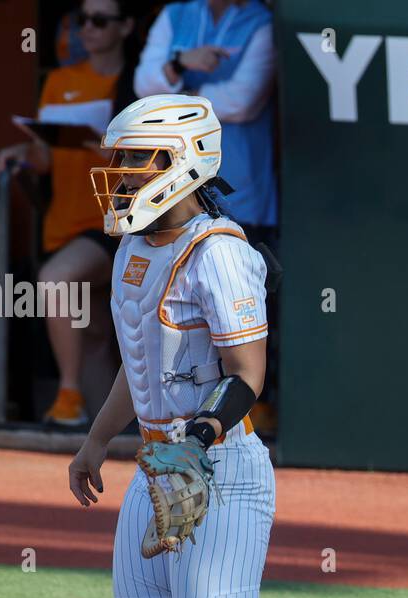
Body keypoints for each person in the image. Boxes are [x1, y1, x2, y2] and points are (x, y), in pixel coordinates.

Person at [59, 93, 373, 598]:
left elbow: (247, 376)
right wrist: (97, 441)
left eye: (139, 160)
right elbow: (141, 368)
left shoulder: (221, 251)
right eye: (122, 160)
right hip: (158, 466)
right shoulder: (133, 249)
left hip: (221, 469)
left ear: (185, 162)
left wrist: (198, 437)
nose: (124, 175)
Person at [0, 0, 141, 428]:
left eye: (100, 20)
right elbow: (46, 157)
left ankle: (67, 395)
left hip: (114, 224)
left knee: (56, 279)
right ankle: (105, 432)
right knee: (92, 337)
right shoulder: (59, 81)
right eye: (82, 20)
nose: (88, 28)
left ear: (126, 26)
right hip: (64, 224)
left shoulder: (138, 82)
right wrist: (22, 152)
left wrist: (109, 152)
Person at [134, 0, 281, 432]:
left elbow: (243, 100)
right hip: (171, 190)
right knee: (170, 299)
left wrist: (173, 94)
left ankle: (252, 405)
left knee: (243, 303)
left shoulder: (262, 22)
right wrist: (180, 63)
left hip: (242, 188)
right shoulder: (174, 15)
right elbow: (143, 84)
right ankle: (180, 412)